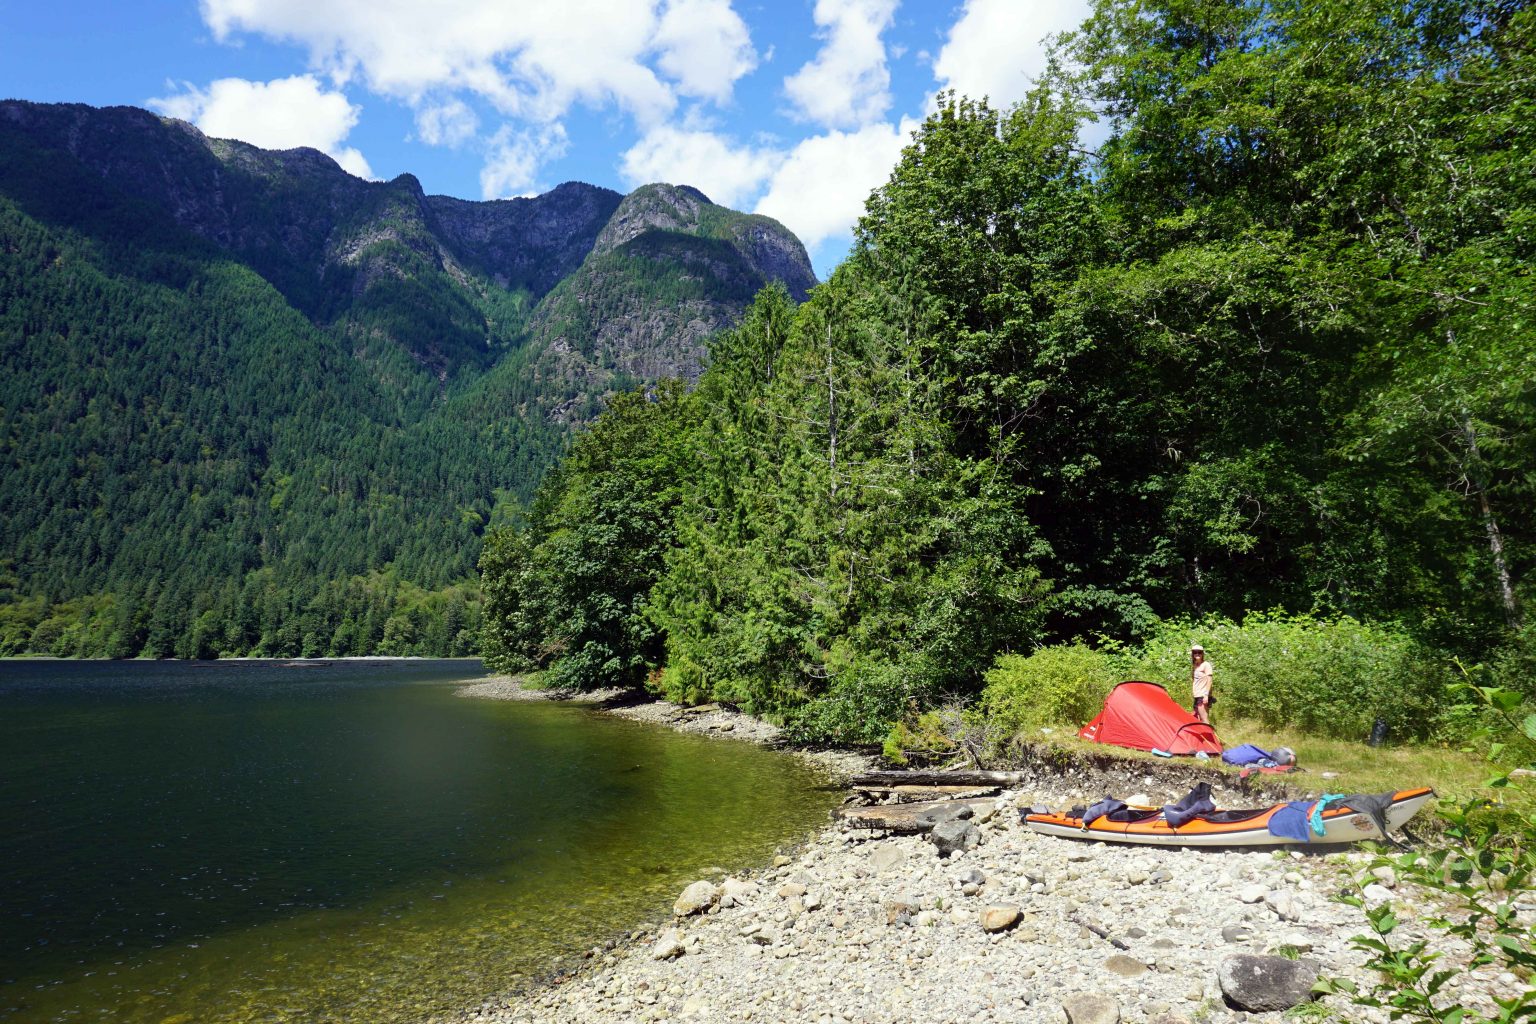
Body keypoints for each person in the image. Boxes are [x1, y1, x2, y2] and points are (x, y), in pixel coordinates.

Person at [1191, 644, 1214, 724]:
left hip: (1203, 695)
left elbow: (1210, 680)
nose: (1197, 654)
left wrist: (1206, 695)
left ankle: (1210, 736)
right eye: (1195, 652)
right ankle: (1206, 735)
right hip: (1197, 695)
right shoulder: (1195, 665)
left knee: (1204, 719)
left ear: (1202, 654)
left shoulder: (1206, 665)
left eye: (1199, 652)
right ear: (1193, 654)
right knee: (1199, 718)